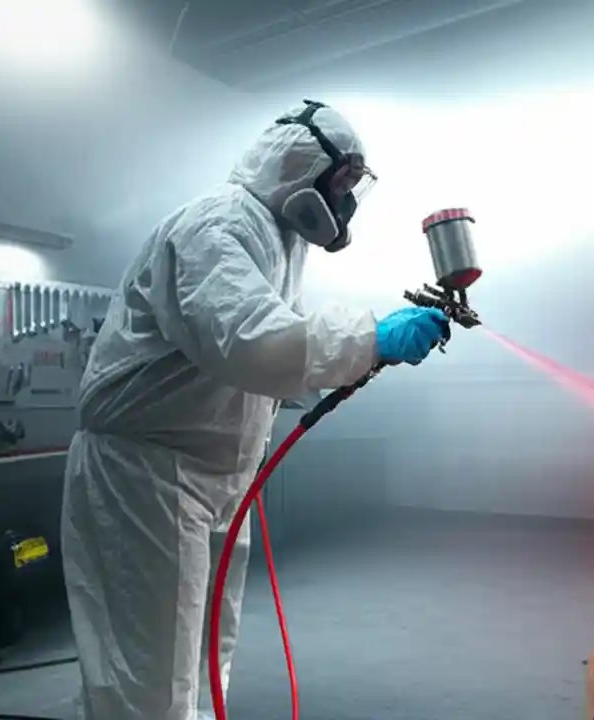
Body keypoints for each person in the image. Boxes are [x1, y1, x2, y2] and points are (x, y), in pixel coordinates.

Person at [61, 100, 448, 720]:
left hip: (214, 478)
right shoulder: (218, 226)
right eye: (344, 180)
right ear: (302, 159)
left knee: (206, 658)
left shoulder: (275, 238)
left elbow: (272, 353)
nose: (347, 201)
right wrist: (370, 336)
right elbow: (251, 340)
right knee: (152, 673)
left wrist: (357, 354)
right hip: (152, 475)